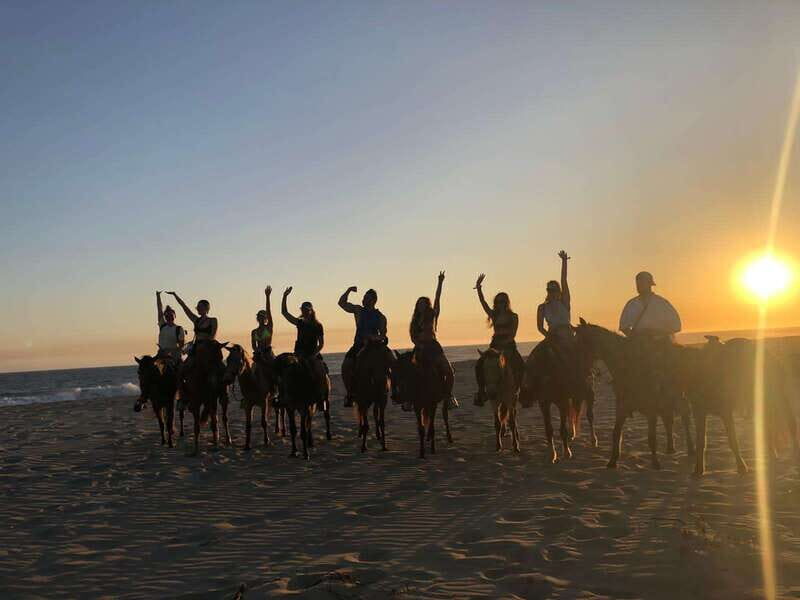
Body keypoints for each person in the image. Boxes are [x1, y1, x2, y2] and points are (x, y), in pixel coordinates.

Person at [409, 271, 457, 410]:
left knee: (449, 371)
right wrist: (419, 345)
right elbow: (412, 336)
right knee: (409, 372)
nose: (421, 306)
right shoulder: (415, 320)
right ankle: (409, 398)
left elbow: (437, 298)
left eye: (423, 304)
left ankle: (448, 396)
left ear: (427, 305)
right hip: (420, 348)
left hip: (433, 347)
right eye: (419, 304)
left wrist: (440, 282)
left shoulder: (433, 315)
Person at [473, 275, 524, 406]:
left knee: (521, 365)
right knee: (479, 365)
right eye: (498, 301)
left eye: (503, 301)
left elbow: (512, 334)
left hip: (508, 345)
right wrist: (479, 288)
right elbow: (483, 303)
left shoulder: (513, 316)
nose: (500, 304)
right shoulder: (494, 315)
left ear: (506, 303)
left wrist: (504, 346)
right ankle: (481, 392)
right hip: (495, 346)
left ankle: (521, 392)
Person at [167, 291, 222, 406]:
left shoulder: (213, 320)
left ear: (206, 308)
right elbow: (184, 308)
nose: (198, 309)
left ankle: (223, 394)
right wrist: (176, 296)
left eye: (200, 307)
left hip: (208, 347)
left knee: (221, 368)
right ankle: (182, 397)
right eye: (197, 307)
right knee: (182, 370)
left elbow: (213, 335)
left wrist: (205, 344)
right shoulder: (196, 320)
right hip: (196, 348)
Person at [338, 286, 388, 407]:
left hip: (375, 346)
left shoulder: (380, 316)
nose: (363, 299)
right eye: (364, 297)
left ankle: (393, 389)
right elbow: (342, 303)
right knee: (346, 366)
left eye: (366, 298)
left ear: (373, 300)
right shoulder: (358, 310)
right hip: (359, 345)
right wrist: (348, 290)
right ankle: (350, 393)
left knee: (392, 361)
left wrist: (372, 337)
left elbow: (383, 335)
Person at [282, 287, 327, 407]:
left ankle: (321, 397)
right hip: (298, 353)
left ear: (311, 310)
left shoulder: (318, 325)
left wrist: (314, 355)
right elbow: (285, 313)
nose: (305, 311)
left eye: (307, 309)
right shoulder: (299, 323)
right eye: (303, 309)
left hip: (311, 354)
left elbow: (321, 344)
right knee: (285, 370)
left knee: (320, 372)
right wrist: (285, 296)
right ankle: (283, 397)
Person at [619, 271, 681, 340]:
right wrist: (636, 338)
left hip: (660, 345)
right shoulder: (631, 304)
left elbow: (677, 326)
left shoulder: (662, 303)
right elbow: (623, 327)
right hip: (639, 345)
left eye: (642, 283)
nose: (639, 286)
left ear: (649, 284)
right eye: (638, 283)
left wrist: (656, 333)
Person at [156, 291, 185, 364]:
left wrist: (170, 351)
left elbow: (181, 346)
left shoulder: (179, 329)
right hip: (162, 355)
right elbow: (159, 309)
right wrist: (158, 296)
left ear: (174, 316)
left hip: (174, 357)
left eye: (171, 315)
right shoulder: (162, 325)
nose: (169, 317)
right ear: (165, 317)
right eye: (167, 316)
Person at [251, 286, 275, 364]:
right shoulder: (254, 332)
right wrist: (257, 351)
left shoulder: (269, 327)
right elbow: (254, 346)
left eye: (262, 316)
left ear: (266, 318)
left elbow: (268, 310)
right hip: (258, 355)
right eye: (259, 316)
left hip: (268, 354)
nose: (260, 318)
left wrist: (267, 297)